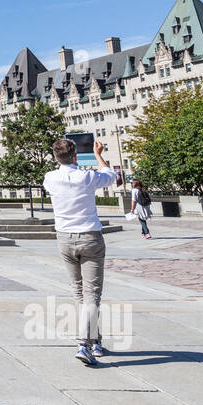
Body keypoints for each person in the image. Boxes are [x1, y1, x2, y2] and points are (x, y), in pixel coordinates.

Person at [43, 138, 120, 366]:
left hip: (65, 239)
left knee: (79, 293)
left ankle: (95, 341)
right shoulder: (87, 177)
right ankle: (84, 344)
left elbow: (54, 181)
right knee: (92, 293)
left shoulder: (50, 178)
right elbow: (111, 176)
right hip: (90, 237)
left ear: (56, 157)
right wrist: (98, 154)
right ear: (75, 155)